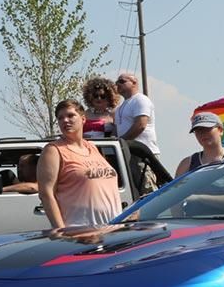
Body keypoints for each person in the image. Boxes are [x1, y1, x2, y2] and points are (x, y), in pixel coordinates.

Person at [37, 100, 120, 228]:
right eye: (60, 118)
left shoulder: (92, 147)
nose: (65, 120)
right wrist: (62, 232)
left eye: (70, 115)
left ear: (83, 119)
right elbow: (46, 194)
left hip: (111, 230)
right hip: (80, 232)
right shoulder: (53, 150)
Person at [173, 112, 224, 214]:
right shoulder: (187, 163)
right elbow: (175, 200)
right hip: (194, 222)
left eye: (207, 129)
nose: (202, 134)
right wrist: (179, 222)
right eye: (198, 130)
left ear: (220, 130)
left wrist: (198, 198)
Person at [114, 72, 160, 156]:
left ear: (134, 83)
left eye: (121, 81)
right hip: (128, 152)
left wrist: (122, 141)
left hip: (144, 152)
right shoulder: (120, 107)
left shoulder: (140, 100)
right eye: (117, 82)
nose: (118, 84)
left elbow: (140, 125)